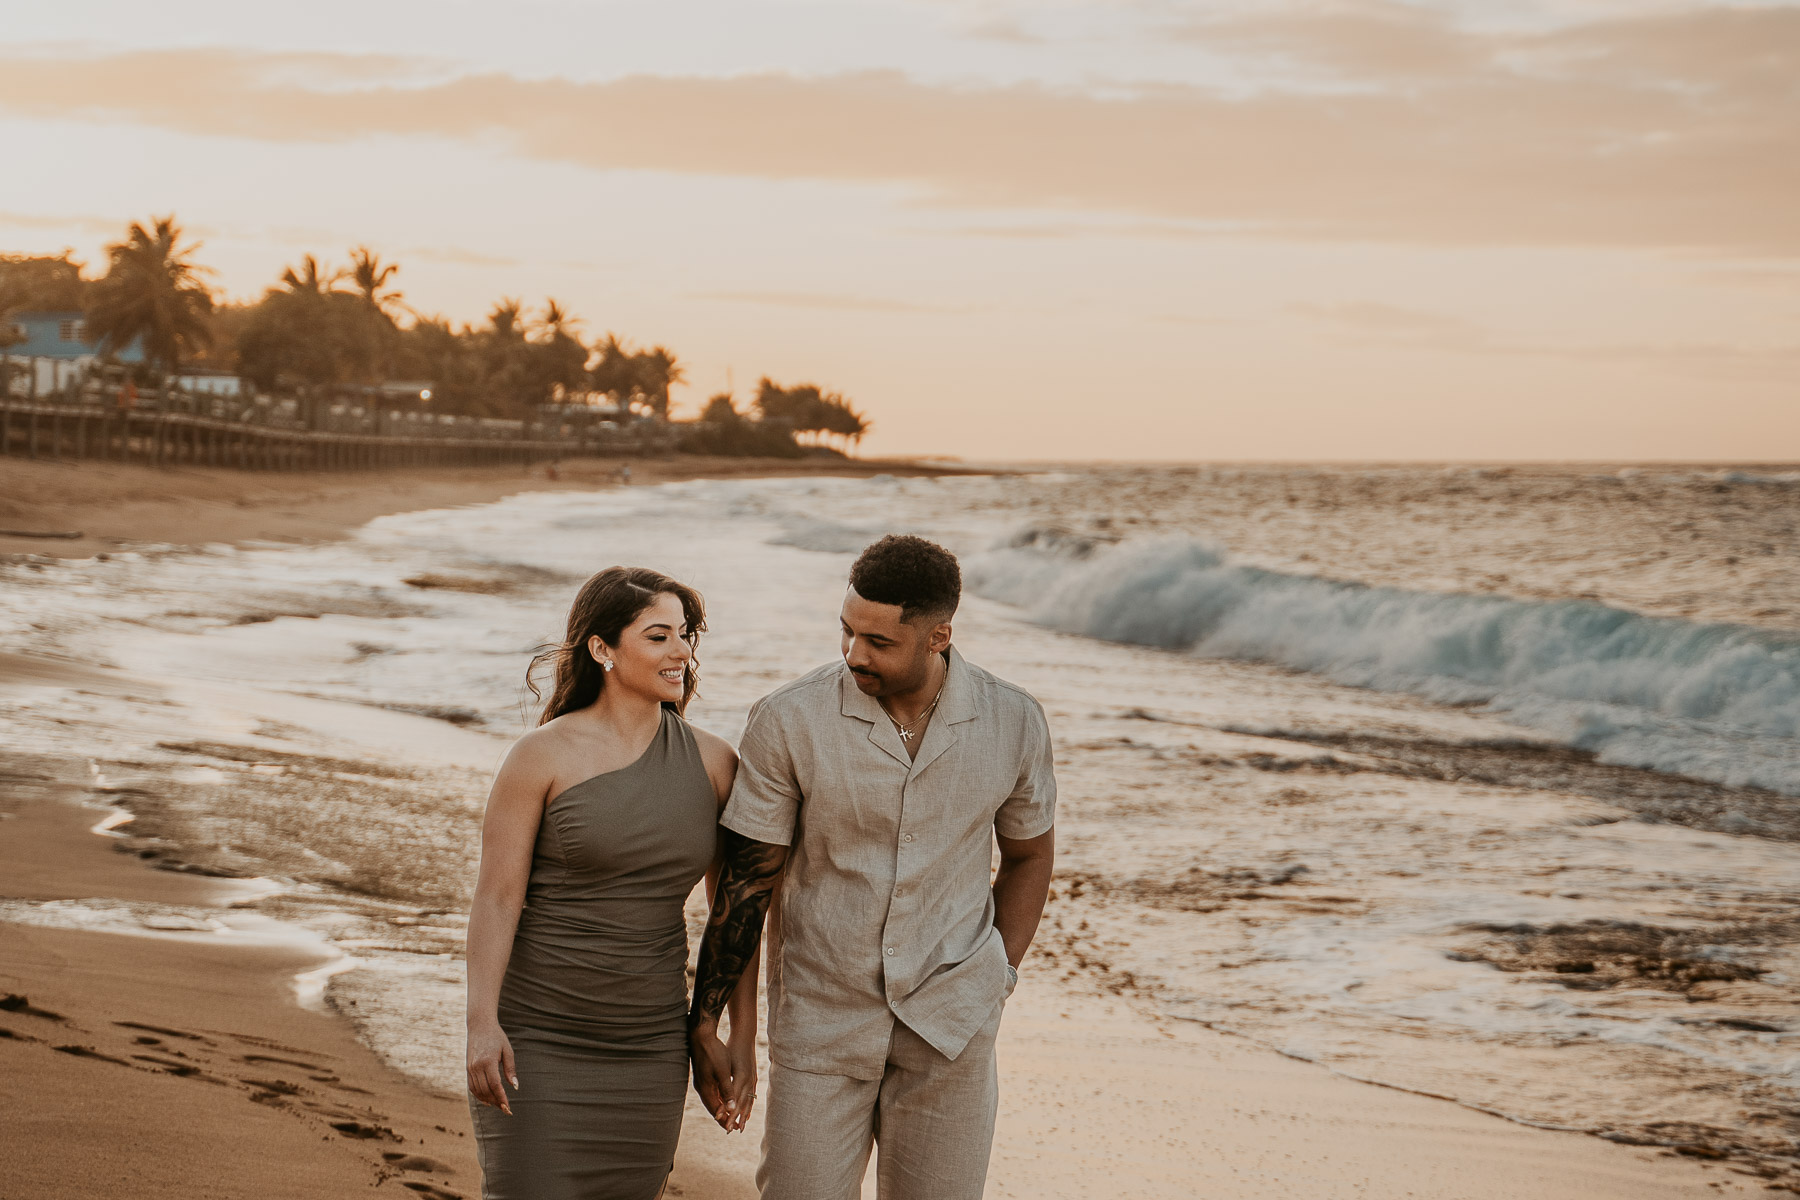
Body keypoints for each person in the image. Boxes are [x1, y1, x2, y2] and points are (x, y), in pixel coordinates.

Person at [688, 534, 1058, 1199]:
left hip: (953, 1024)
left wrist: (998, 973)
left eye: (879, 642)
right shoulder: (788, 720)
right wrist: (716, 1020)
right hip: (822, 1021)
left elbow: (1030, 855)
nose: (854, 654)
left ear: (938, 636)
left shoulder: (1014, 722)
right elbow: (747, 886)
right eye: (847, 631)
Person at [466, 566, 758, 1200]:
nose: (681, 651)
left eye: (685, 635)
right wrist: (480, 1022)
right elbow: (496, 898)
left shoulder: (713, 764)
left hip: (648, 1049)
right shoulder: (538, 757)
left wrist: (735, 1031)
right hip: (537, 1040)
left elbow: (735, 912)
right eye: (658, 636)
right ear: (603, 648)